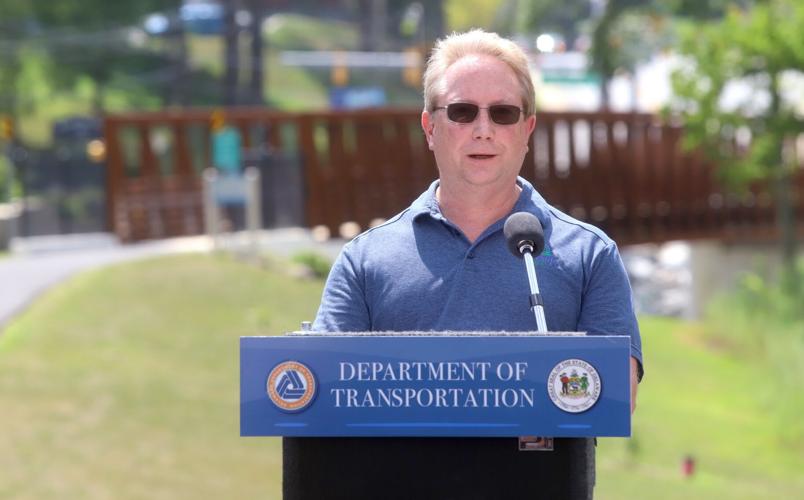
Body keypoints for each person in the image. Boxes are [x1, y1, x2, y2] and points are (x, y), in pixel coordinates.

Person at [308, 28, 643, 498]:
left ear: (527, 129)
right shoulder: (364, 260)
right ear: (430, 128)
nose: (483, 129)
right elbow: (320, 401)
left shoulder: (591, 254)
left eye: (503, 113)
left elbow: (614, 396)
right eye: (462, 112)